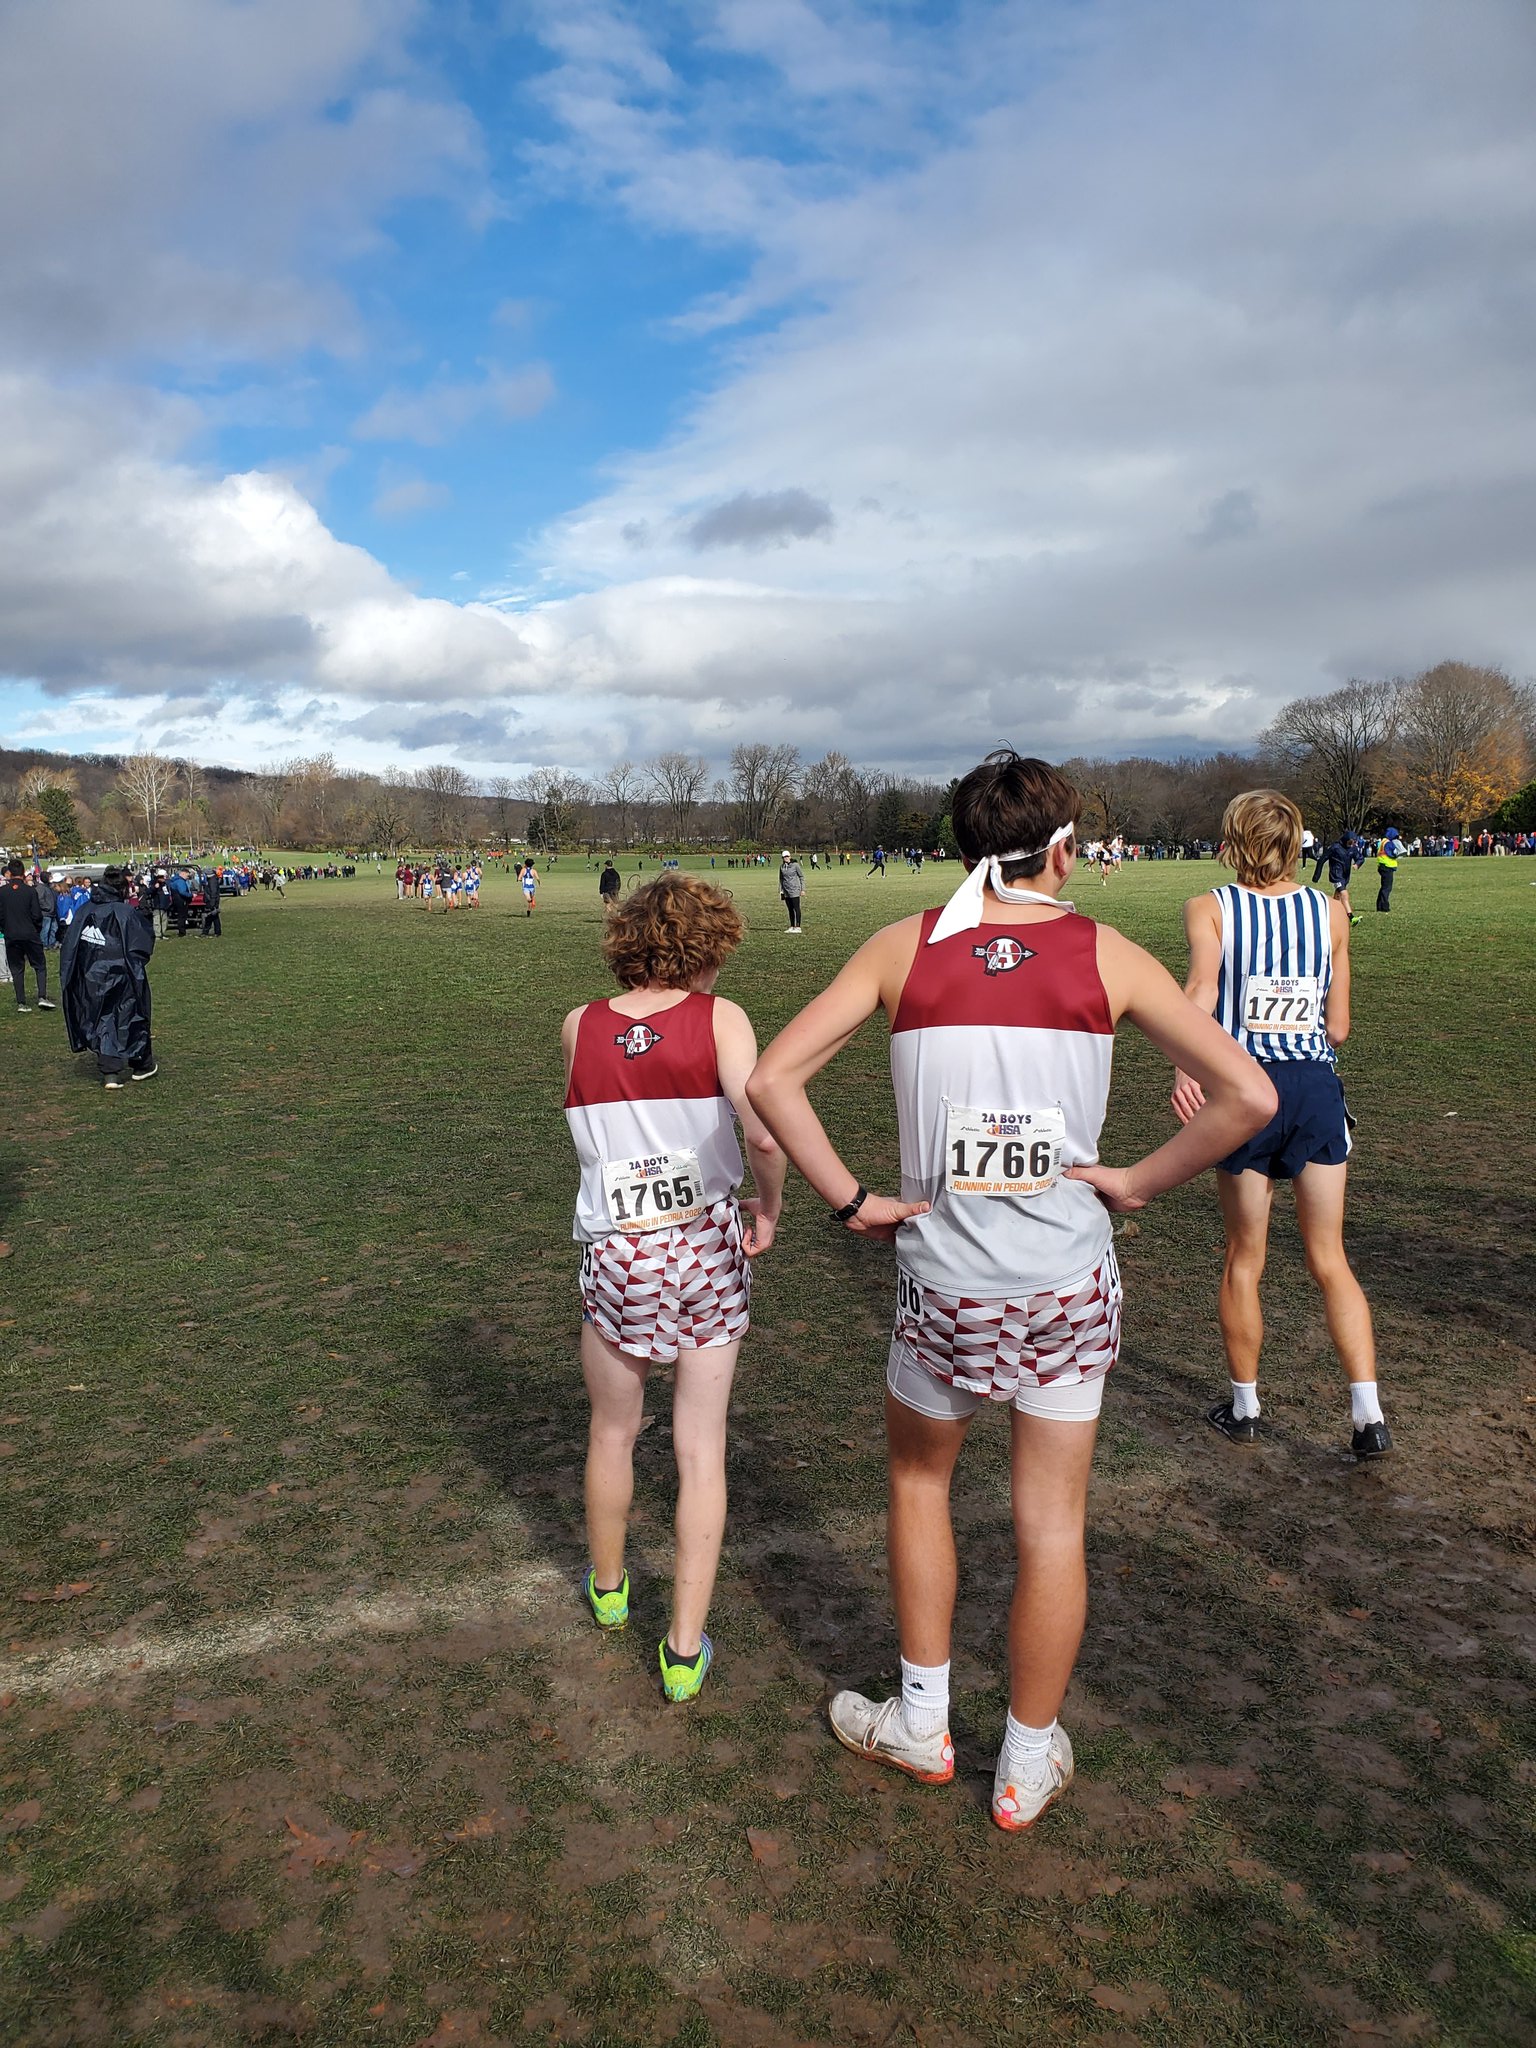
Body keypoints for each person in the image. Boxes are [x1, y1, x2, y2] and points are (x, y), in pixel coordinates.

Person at [746, 750, 1274, 1832]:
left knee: (920, 1486)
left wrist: (851, 1202)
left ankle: (923, 1718)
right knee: (1051, 1522)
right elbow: (1249, 1093)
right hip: (1065, 1280)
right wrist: (1133, 1179)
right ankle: (1025, 1761)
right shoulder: (1110, 955)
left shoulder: (905, 946)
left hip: (941, 1281)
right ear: (1063, 846)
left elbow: (770, 1078)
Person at [563, 873, 786, 1703]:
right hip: (702, 1249)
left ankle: (611, 1587)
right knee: (700, 1448)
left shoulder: (578, 1025)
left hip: (620, 1252)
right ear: (709, 947)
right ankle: (684, 1647)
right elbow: (762, 1132)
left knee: (613, 1431)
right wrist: (769, 1205)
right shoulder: (721, 1021)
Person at [1173, 791, 1390, 1459]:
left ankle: (1245, 1408)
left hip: (1247, 1095)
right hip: (1315, 1092)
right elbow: (1340, 1028)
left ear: (1233, 840)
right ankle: (1368, 1415)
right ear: (1297, 841)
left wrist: (1186, 1061)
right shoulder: (1331, 912)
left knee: (1245, 1259)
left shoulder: (1209, 908)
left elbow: (1203, 991)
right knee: (1331, 1260)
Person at [59, 867, 157, 1088]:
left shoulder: (86, 911)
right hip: (121, 977)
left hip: (91, 978)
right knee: (130, 1015)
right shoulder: (124, 913)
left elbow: (70, 946)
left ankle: (112, 1070)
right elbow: (141, 946)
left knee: (104, 1019)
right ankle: (139, 1063)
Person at [2, 859, 53, 1013]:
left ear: (9, 873)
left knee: (17, 968)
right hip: (29, 932)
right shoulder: (30, 891)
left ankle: (21, 1002)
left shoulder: (2, 892)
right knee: (39, 965)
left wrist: (6, 929)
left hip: (11, 933)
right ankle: (42, 996)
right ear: (24, 872)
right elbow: (37, 915)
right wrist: (36, 929)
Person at [1311, 830, 1365, 924]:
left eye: (1354, 842)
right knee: (1344, 894)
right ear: (1346, 840)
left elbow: (1360, 858)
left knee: (1338, 896)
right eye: (1350, 842)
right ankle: (1351, 918)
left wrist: (1357, 864)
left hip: (1345, 875)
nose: (1352, 844)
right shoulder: (1335, 847)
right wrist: (1316, 876)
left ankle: (1330, 913)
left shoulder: (1353, 848)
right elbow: (1322, 860)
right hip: (1336, 875)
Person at [1375, 827, 1404, 913]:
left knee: (1383, 887)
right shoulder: (1388, 843)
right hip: (1387, 866)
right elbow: (1392, 853)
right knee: (1387, 888)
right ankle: (1384, 907)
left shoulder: (1382, 842)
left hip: (1382, 866)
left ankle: (1379, 906)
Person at [779, 850, 806, 933]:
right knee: (790, 909)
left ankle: (798, 927)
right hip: (786, 891)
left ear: (790, 856)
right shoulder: (782, 867)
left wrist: (803, 889)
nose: (786, 858)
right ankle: (792, 926)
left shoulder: (795, 865)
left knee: (796, 908)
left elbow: (801, 877)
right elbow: (781, 879)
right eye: (784, 857)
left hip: (794, 890)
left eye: (787, 856)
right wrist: (781, 891)